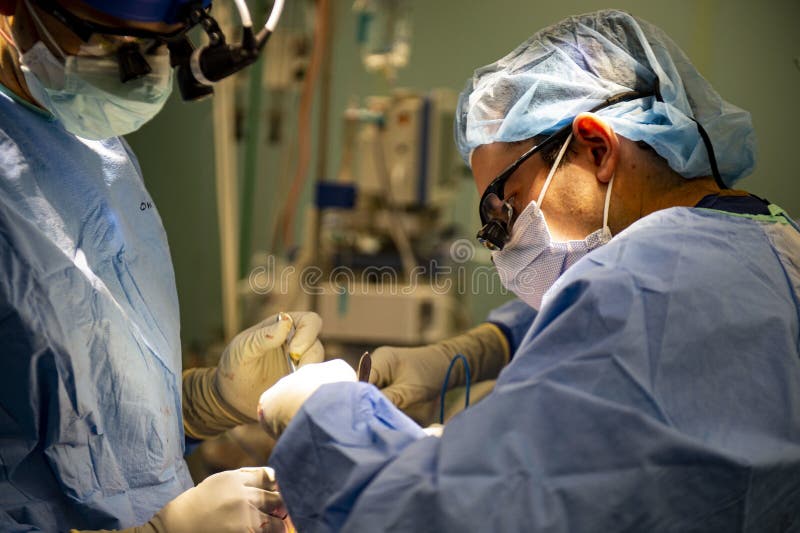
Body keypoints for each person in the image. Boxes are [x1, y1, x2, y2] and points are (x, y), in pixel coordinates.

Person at [255, 9, 800, 532]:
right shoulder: (769, 243)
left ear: (596, 147)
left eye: (503, 206)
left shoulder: (640, 285)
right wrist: (486, 344)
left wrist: (324, 419)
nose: (501, 244)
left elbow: (441, 518)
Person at [0, 0, 321, 531]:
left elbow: (86, 418)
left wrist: (212, 399)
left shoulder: (89, 138)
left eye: (163, 47)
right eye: (116, 45)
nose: (142, 71)